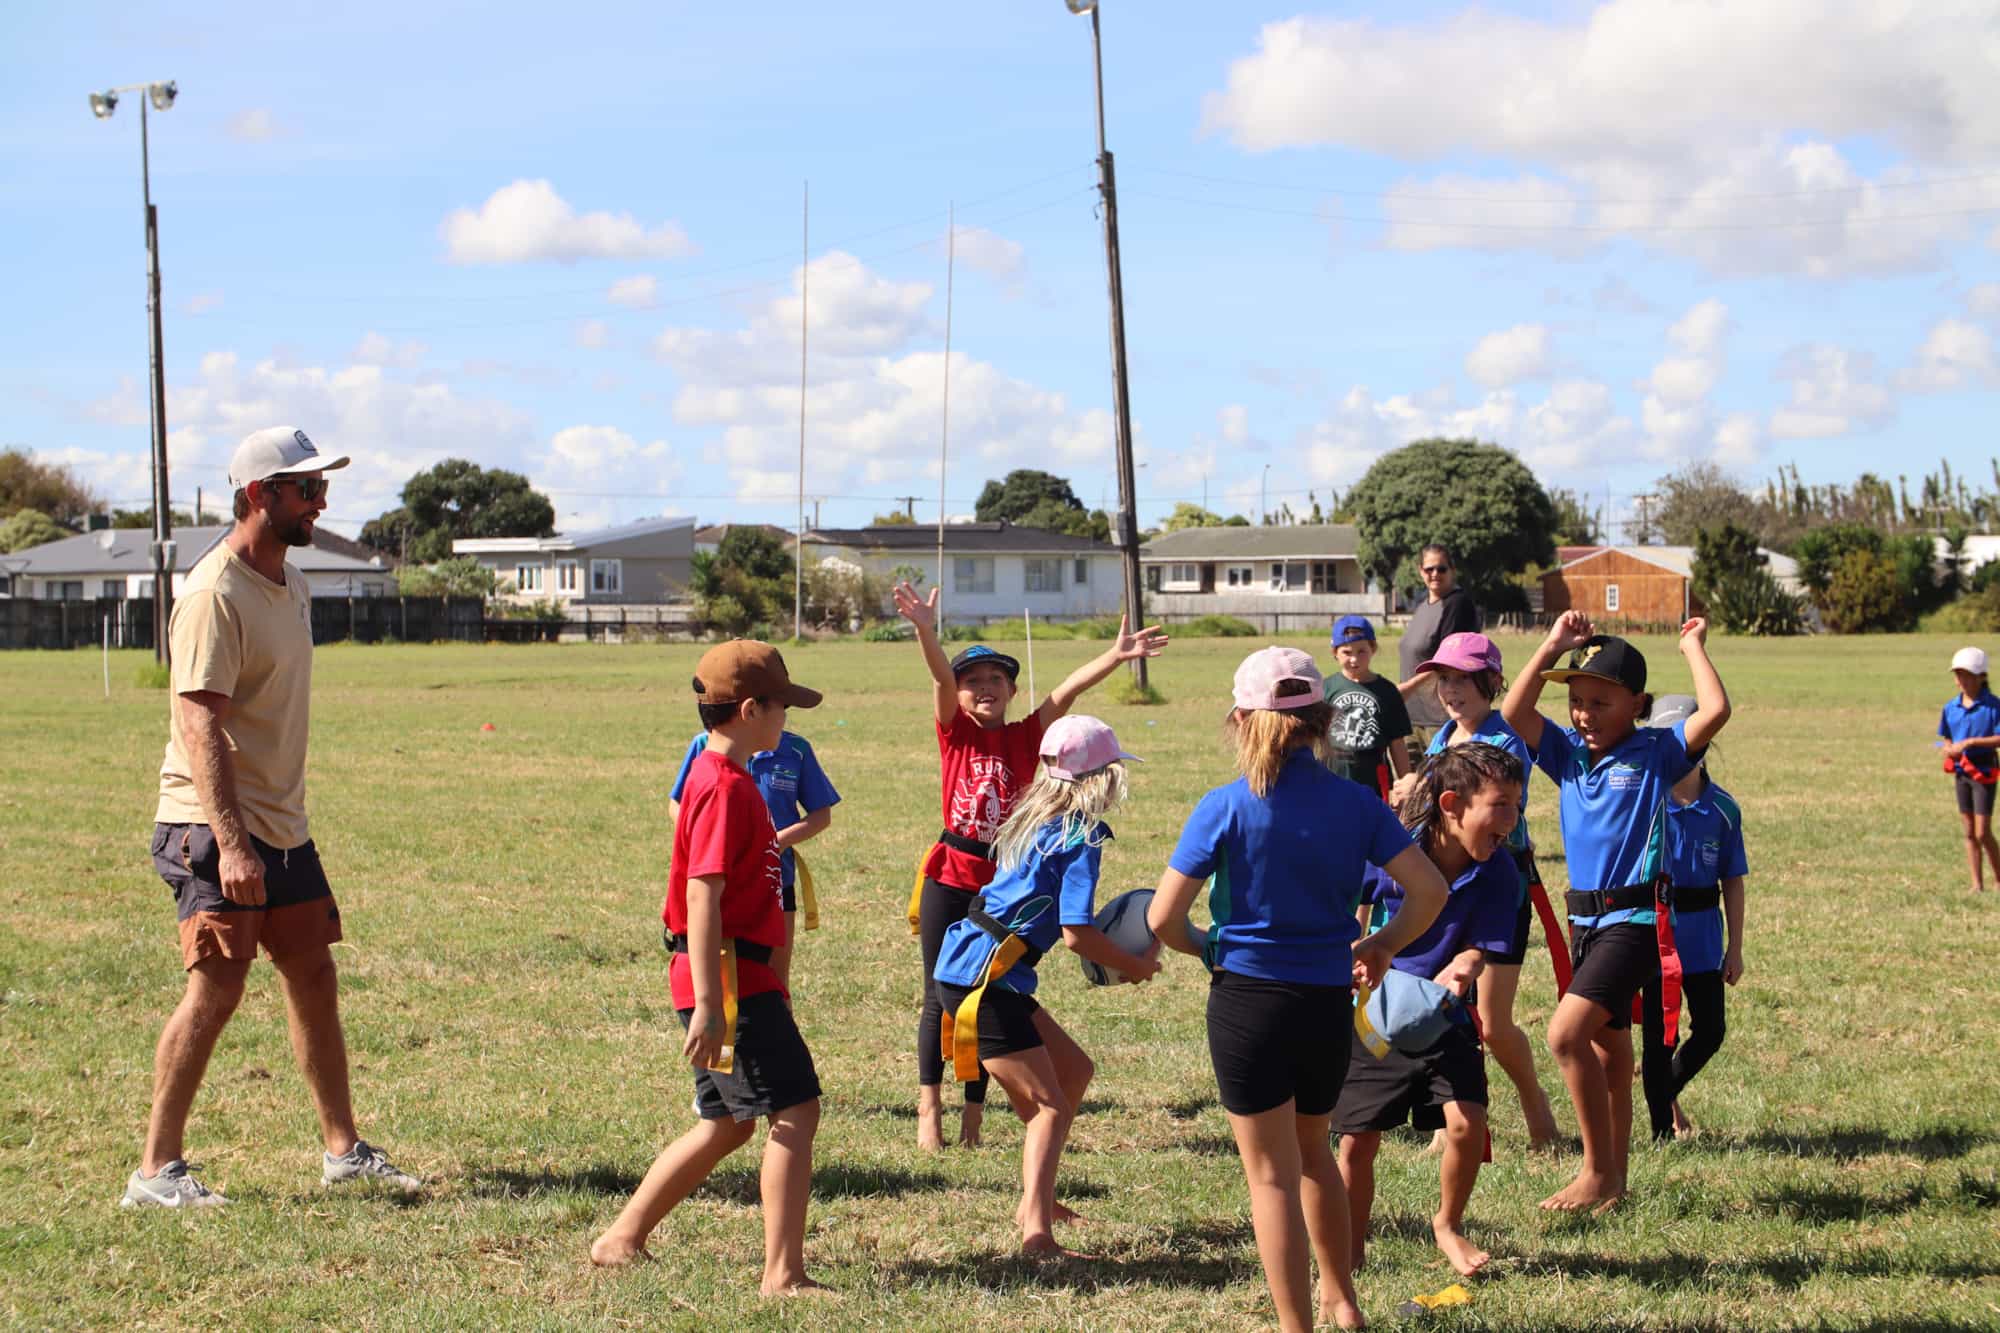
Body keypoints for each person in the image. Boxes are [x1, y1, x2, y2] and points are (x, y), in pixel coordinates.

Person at [126, 426, 420, 1208]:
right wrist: (232, 844)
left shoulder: (289, 583)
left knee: (313, 973)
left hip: (282, 823)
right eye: (307, 490)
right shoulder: (213, 593)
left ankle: (343, 1151)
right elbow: (199, 725)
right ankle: (157, 1170)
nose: (322, 502)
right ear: (261, 495)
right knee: (217, 986)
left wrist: (270, 831)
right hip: (213, 823)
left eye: (321, 488)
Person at [1149, 646, 1451, 1333]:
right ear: (1322, 719)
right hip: (1323, 1004)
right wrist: (1379, 944)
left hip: (1247, 1000)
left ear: (1240, 719)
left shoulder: (1224, 805)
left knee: (1271, 1177)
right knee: (1316, 1151)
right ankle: (1342, 1297)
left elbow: (1162, 918)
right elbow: (1430, 889)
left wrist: (1209, 948)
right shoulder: (1358, 804)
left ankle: (1295, 1325)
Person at [891, 580, 1166, 1151]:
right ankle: (928, 1107)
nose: (982, 687)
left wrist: (1115, 657)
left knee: (985, 995)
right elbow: (940, 678)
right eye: (973, 682)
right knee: (939, 995)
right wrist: (925, 629)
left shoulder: (1027, 737)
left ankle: (973, 1114)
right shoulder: (955, 734)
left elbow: (1066, 692)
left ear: (1013, 690)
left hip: (999, 883)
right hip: (950, 874)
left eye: (995, 679)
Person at [591, 640, 828, 1295]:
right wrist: (709, 1001)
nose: (787, 719)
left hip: (733, 976)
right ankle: (782, 1274)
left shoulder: (718, 775)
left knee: (726, 1122)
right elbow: (704, 892)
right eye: (781, 707)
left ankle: (623, 1235)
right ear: (750, 709)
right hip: (730, 980)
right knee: (795, 1109)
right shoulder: (722, 786)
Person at [1500, 611, 1730, 1213]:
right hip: (1585, 925)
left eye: (1600, 702)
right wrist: (1553, 643)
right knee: (1609, 1053)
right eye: (1576, 701)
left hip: (1633, 924)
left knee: (1564, 1035)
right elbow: (1514, 715)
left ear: (1638, 704)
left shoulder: (1657, 751)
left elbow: (1715, 712)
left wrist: (1692, 647)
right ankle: (1617, 1182)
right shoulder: (1568, 754)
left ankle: (1596, 1170)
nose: (1583, 714)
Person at [931, 715, 1160, 1254]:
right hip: (985, 983)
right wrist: (1135, 964)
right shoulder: (1081, 836)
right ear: (1103, 778)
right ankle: (1037, 1234)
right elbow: (1077, 934)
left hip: (981, 971)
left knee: (1074, 1071)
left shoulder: (1035, 818)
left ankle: (1039, 1199)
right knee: (1050, 1106)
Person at [1335, 743, 1526, 1280]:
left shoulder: (1499, 873)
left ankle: (1447, 1224)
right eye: (1501, 805)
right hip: (1377, 1014)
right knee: (1357, 1141)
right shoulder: (1396, 855)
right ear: (1451, 803)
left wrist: (1462, 968)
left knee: (1467, 1125)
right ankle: (1349, 1249)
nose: (1512, 820)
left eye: (1517, 804)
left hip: (1445, 1016)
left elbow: (1478, 948)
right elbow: (1354, 900)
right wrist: (1353, 945)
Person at [1397, 631, 1562, 1149]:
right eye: (1444, 678)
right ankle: (1454, 1123)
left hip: (1498, 887)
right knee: (1445, 1007)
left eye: (1463, 678)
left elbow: (1481, 803)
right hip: (1446, 888)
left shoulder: (1503, 739)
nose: (1450, 689)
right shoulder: (1445, 733)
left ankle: (1539, 1115)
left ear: (1492, 681)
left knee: (1492, 1022)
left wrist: (1417, 787)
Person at [1638, 696, 1747, 1142]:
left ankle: (1661, 1091)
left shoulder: (1723, 809)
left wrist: (1735, 946)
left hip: (1703, 936)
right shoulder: (1646, 804)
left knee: (1710, 1031)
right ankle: (1661, 1128)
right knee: (1659, 1039)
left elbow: (1734, 880)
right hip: (1655, 935)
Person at [670, 726, 839, 993]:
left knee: (773, 980)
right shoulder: (708, 743)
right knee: (721, 977)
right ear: (750, 709)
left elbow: (821, 815)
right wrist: (706, 839)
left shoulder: (797, 749)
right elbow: (678, 803)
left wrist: (775, 842)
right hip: (723, 885)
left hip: (775, 883)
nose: (783, 714)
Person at [1324, 615, 1413, 800]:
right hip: (1333, 779)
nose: (1354, 659)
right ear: (1334, 652)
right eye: (1347, 653)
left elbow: (1397, 743)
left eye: (1361, 651)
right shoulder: (1326, 688)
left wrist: (1405, 786)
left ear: (1373, 648)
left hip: (1374, 783)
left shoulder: (1387, 691)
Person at [1396, 544, 1482, 734]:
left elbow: (1450, 660)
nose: (1435, 573)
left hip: (1440, 719)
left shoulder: (1457, 604)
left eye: (1441, 568)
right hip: (1411, 717)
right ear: (1420, 571)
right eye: (1429, 569)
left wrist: (1408, 687)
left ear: (1453, 570)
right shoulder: (1423, 606)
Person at [1938, 646, 2000, 893]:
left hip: (1984, 770)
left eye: (1967, 675)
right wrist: (1949, 748)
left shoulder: (1993, 706)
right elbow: (1946, 737)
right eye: (1958, 674)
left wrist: (1972, 743)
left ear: (1981, 676)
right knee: (1968, 831)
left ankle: (1999, 879)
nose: (1962, 680)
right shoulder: (1951, 707)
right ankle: (1976, 884)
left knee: (1982, 831)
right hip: (1962, 772)